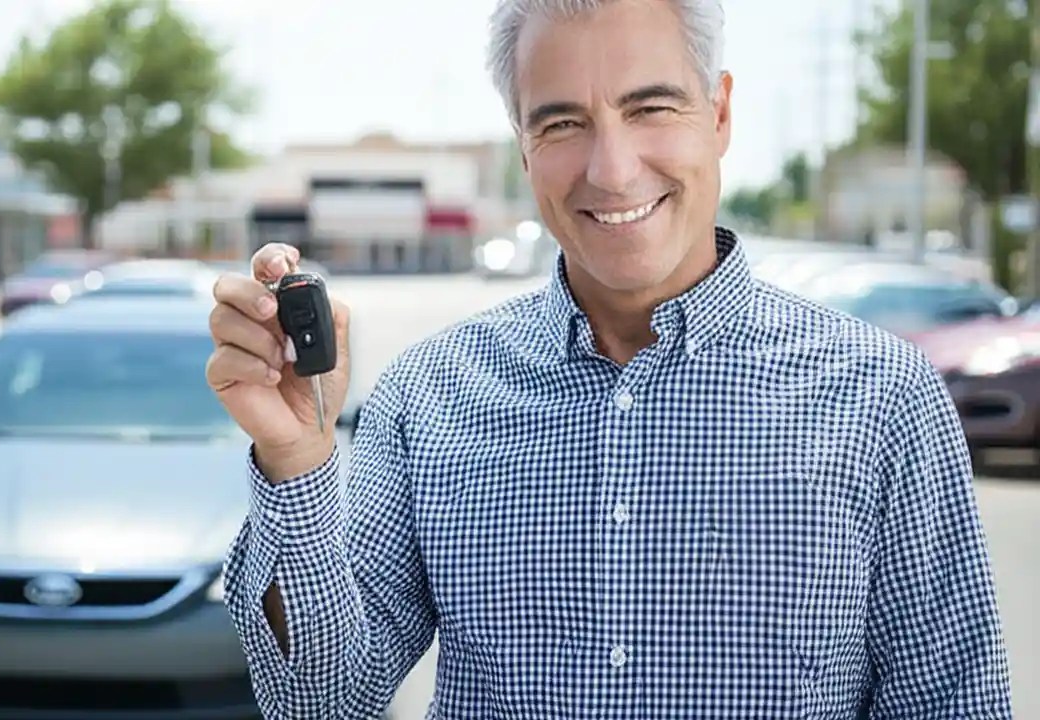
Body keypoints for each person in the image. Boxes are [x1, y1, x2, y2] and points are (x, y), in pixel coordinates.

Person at [205, 0, 1013, 716]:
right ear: (523, 148)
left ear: (720, 113)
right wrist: (297, 463)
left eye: (650, 107)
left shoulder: (885, 398)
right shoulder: (429, 396)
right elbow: (321, 701)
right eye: (561, 124)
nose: (612, 169)